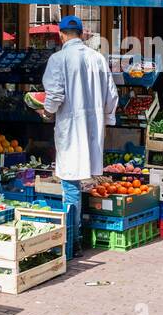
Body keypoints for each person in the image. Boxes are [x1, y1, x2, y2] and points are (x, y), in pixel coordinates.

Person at [41, 15, 118, 256]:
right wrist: (106, 119)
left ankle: (72, 242)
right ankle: (77, 235)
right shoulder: (97, 59)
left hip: (71, 129)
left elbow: (54, 95)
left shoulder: (58, 59)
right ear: (82, 34)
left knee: (70, 186)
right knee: (78, 181)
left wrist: (46, 112)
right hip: (92, 128)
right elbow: (112, 95)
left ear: (61, 35)